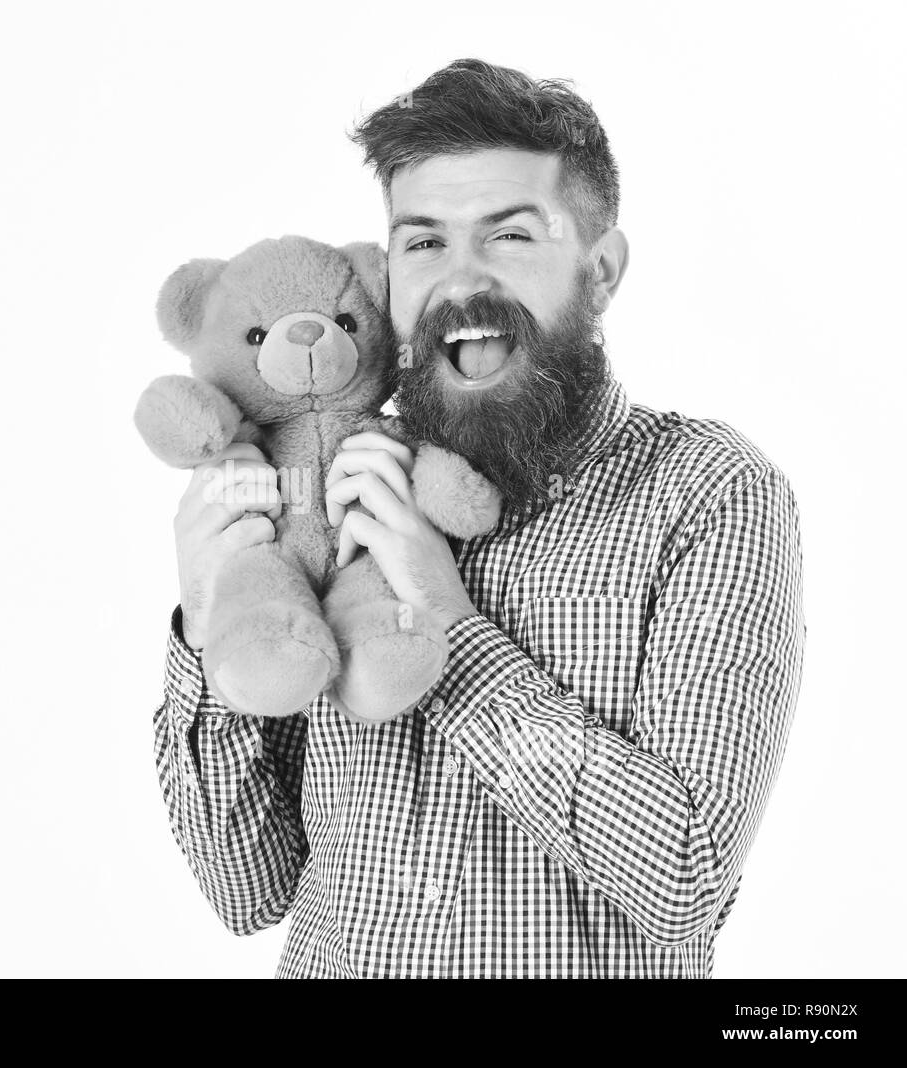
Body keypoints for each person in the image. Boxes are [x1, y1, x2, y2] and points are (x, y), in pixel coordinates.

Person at [151, 58, 805, 978]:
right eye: (423, 244)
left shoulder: (709, 491)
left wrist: (445, 622)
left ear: (602, 268)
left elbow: (687, 879)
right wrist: (209, 619)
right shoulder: (334, 478)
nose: (461, 283)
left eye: (508, 236)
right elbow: (247, 890)